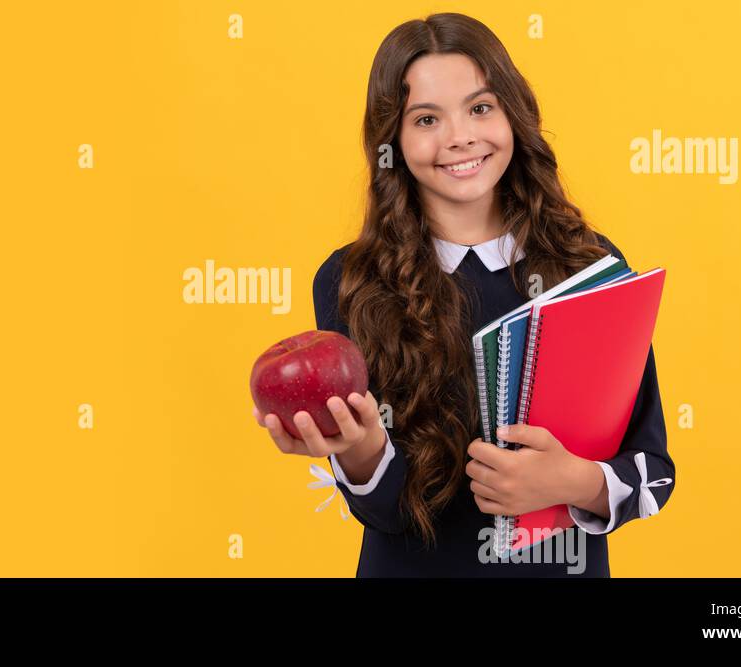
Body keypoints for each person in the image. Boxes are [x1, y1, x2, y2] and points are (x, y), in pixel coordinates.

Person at [253, 13, 675, 577]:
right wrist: (359, 452)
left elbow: (653, 472)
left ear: (513, 115)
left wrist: (572, 481)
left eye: (480, 107)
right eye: (426, 118)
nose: (459, 137)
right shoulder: (350, 281)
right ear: (393, 142)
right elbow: (390, 512)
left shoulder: (590, 265)